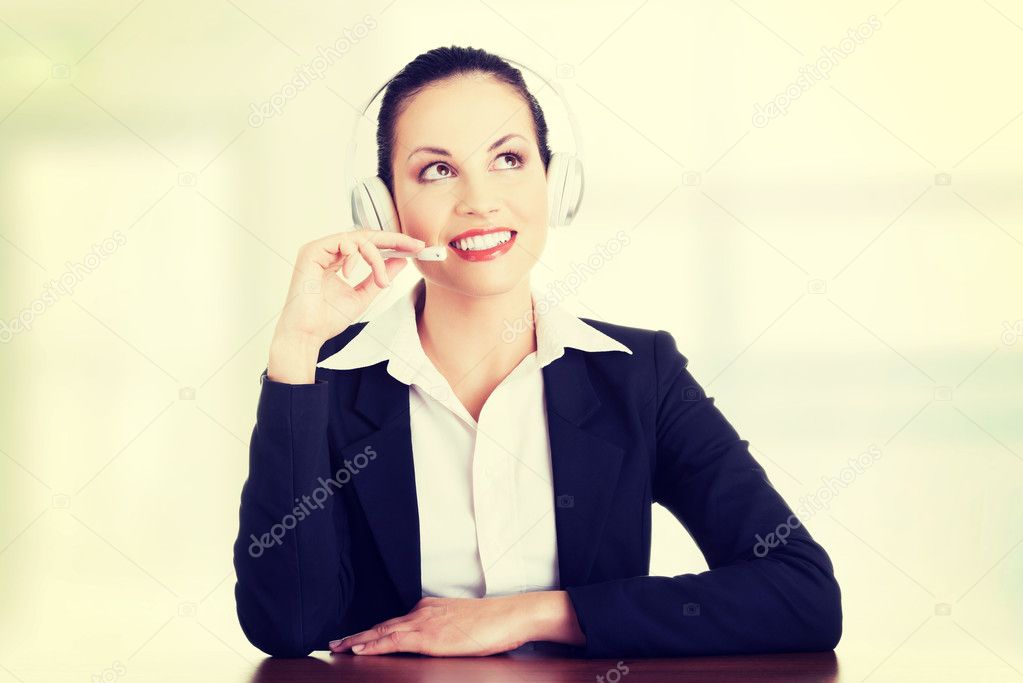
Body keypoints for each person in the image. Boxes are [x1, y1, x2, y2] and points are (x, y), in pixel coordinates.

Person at [232, 45, 842, 659]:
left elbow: (801, 593)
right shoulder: (330, 382)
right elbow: (288, 627)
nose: (479, 200)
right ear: (383, 205)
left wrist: (531, 615)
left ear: (556, 182)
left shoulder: (639, 375)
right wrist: (297, 347)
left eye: (508, 159)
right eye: (437, 170)